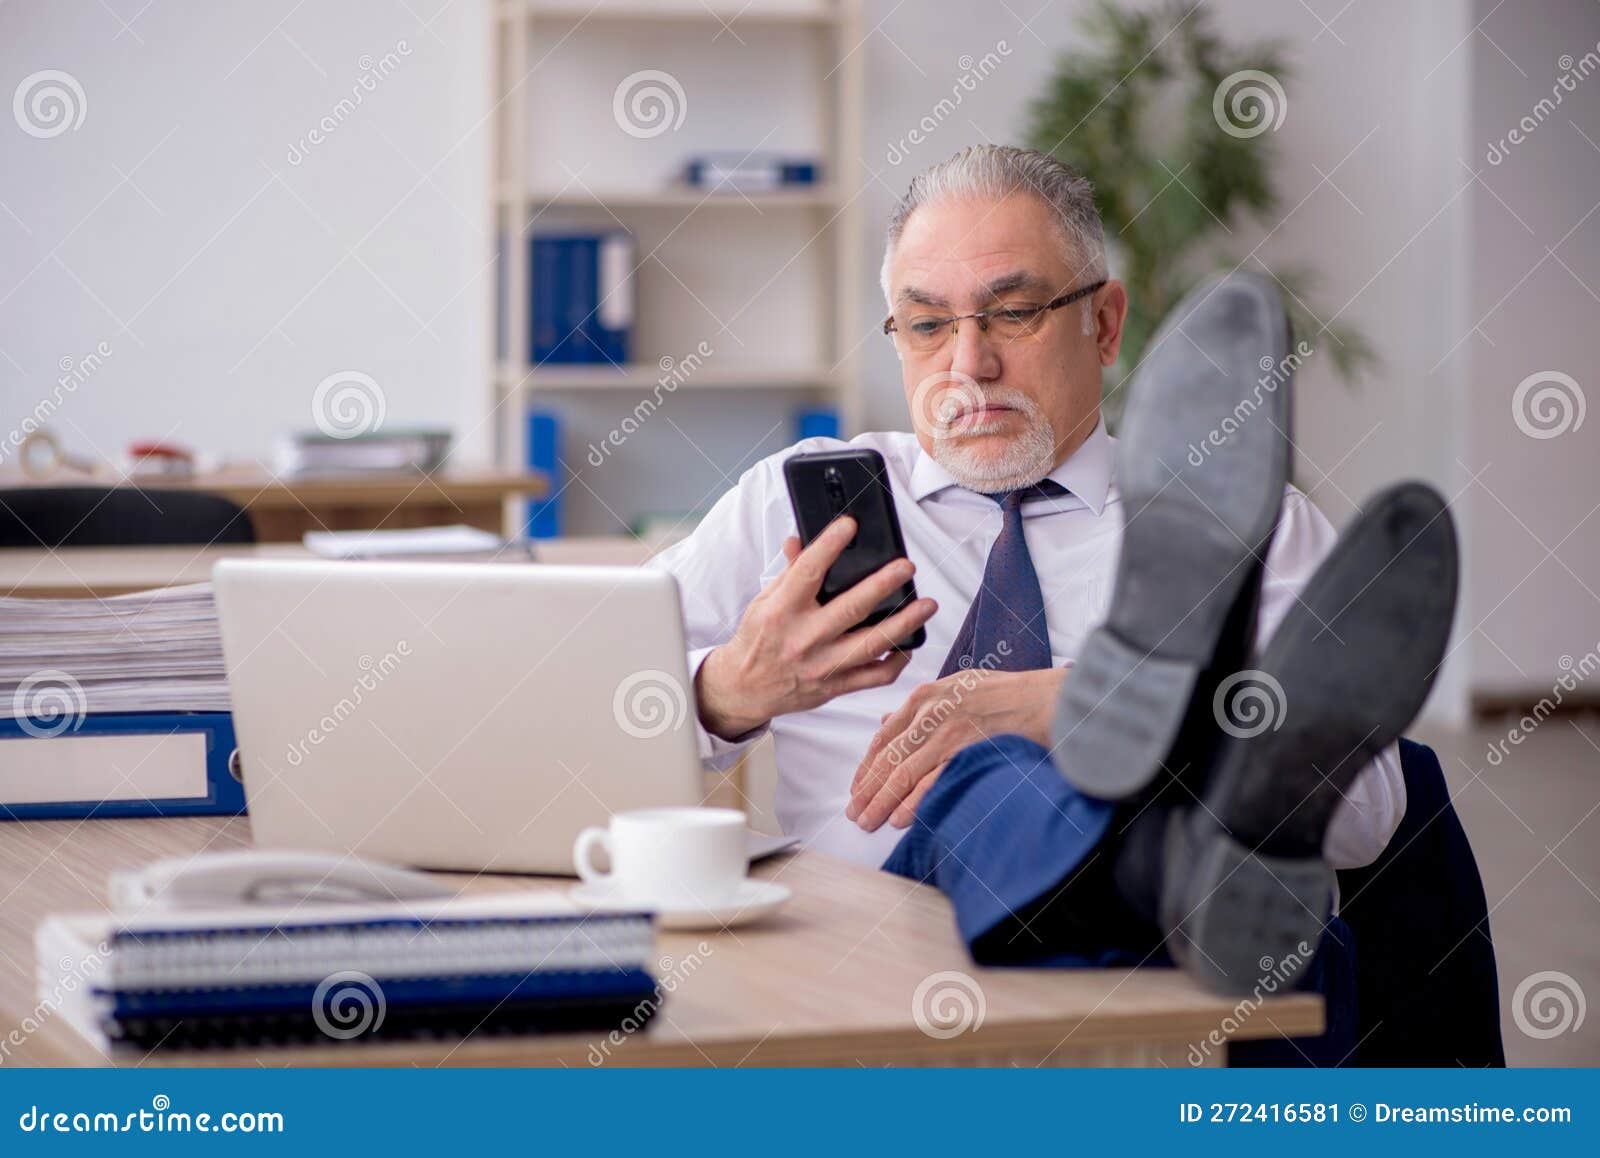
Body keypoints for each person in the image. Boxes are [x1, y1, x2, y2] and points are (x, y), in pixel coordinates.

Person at [649, 145, 1457, 998]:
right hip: (880, 955)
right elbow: (573, 715)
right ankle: (1165, 832)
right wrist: (727, 690)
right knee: (989, 777)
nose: (969, 364)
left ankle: (1158, 801)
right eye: (927, 325)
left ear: (1103, 325)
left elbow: (1372, 815)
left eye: (1014, 312)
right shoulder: (799, 505)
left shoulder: (1236, 515)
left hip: (1178, 986)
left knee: (1013, 758)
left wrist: (1070, 701)